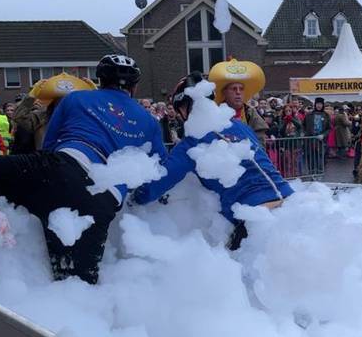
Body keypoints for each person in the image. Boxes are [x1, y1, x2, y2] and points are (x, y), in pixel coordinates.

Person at [0, 55, 167, 285]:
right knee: (75, 287)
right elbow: (158, 176)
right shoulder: (149, 120)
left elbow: (50, 144)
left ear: (100, 80)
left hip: (63, 167)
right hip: (104, 201)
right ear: (135, 87)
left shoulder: (76, 98)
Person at [133, 78, 293, 251]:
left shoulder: (191, 143)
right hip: (289, 199)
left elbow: (160, 181)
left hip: (251, 215)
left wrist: (135, 197)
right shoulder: (239, 126)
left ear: (184, 109)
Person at [11, 73, 97, 154]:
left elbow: (102, 121)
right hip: (46, 160)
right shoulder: (42, 117)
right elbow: (19, 117)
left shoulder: (82, 118)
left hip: (74, 160)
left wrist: (97, 96)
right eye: (60, 100)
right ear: (53, 102)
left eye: (67, 100)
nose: (64, 103)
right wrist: (31, 97)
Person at [209, 59, 268, 144]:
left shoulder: (250, 113)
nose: (238, 92)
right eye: (233, 89)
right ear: (224, 92)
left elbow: (260, 142)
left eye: (241, 89)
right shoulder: (215, 113)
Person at [303, 97, 331, 175]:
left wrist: (323, 135)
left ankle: (320, 175)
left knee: (320, 159)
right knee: (311, 158)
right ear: (315, 105)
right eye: (317, 104)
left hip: (321, 141)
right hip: (310, 140)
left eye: (320, 104)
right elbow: (303, 125)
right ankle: (311, 174)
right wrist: (305, 134)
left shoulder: (326, 115)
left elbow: (329, 128)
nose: (319, 106)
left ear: (323, 105)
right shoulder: (309, 115)